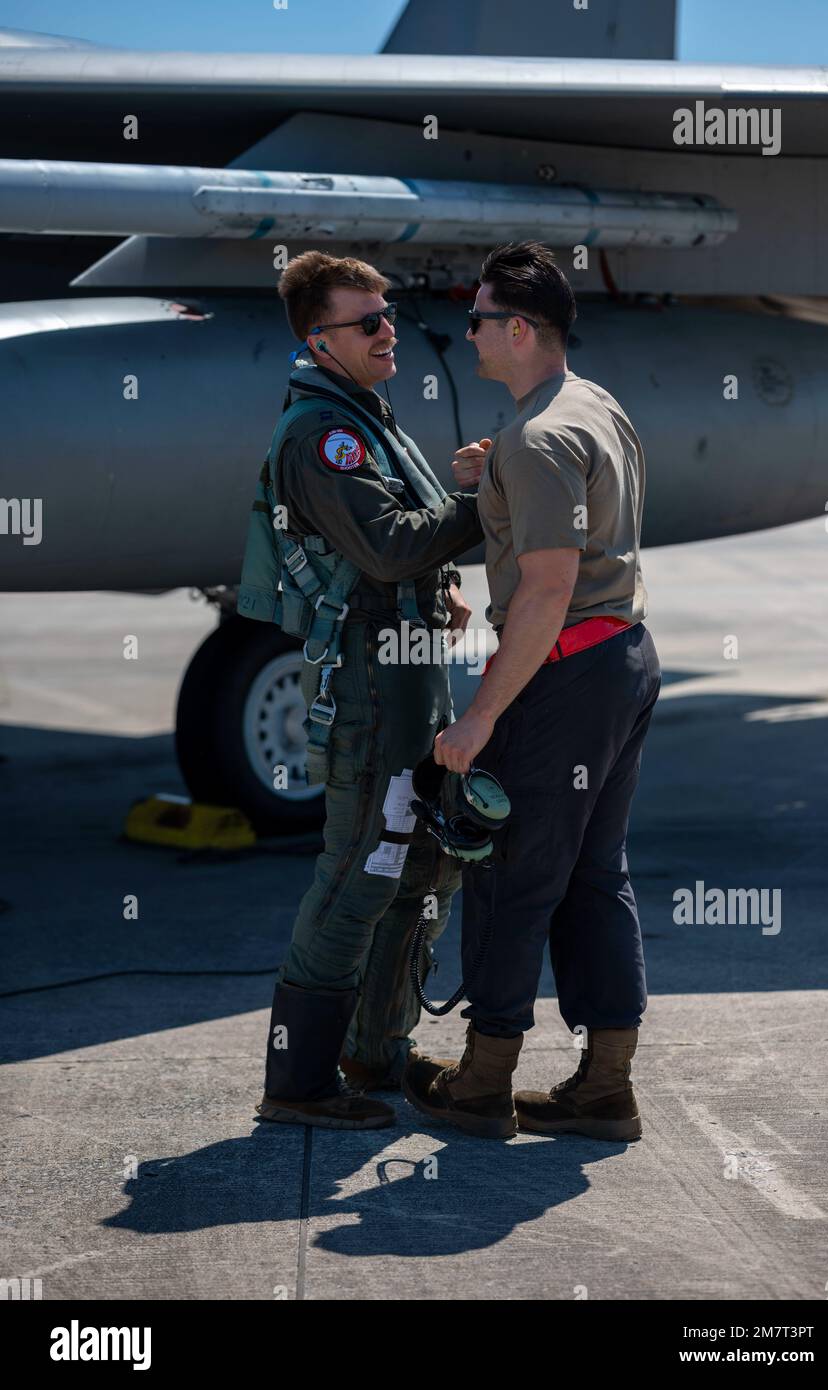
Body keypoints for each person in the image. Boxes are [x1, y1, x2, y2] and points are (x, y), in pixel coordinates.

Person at [403, 241, 662, 1141]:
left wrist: (481, 716)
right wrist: (495, 485)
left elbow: (547, 588)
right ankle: (606, 1085)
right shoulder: (589, 408)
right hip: (623, 655)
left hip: (565, 673)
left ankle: (483, 1085)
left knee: (513, 875)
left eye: (475, 319)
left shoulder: (539, 437)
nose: (464, 332)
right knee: (596, 874)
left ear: (517, 329)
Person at [252, 251, 484, 1129]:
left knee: (423, 866)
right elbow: (387, 545)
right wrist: (485, 499)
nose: (391, 331)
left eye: (388, 315)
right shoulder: (326, 432)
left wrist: (443, 584)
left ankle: (375, 1051)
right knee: (358, 871)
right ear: (321, 339)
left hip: (410, 675)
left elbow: (396, 552)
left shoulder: (368, 414)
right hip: (371, 690)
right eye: (369, 322)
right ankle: (298, 1083)